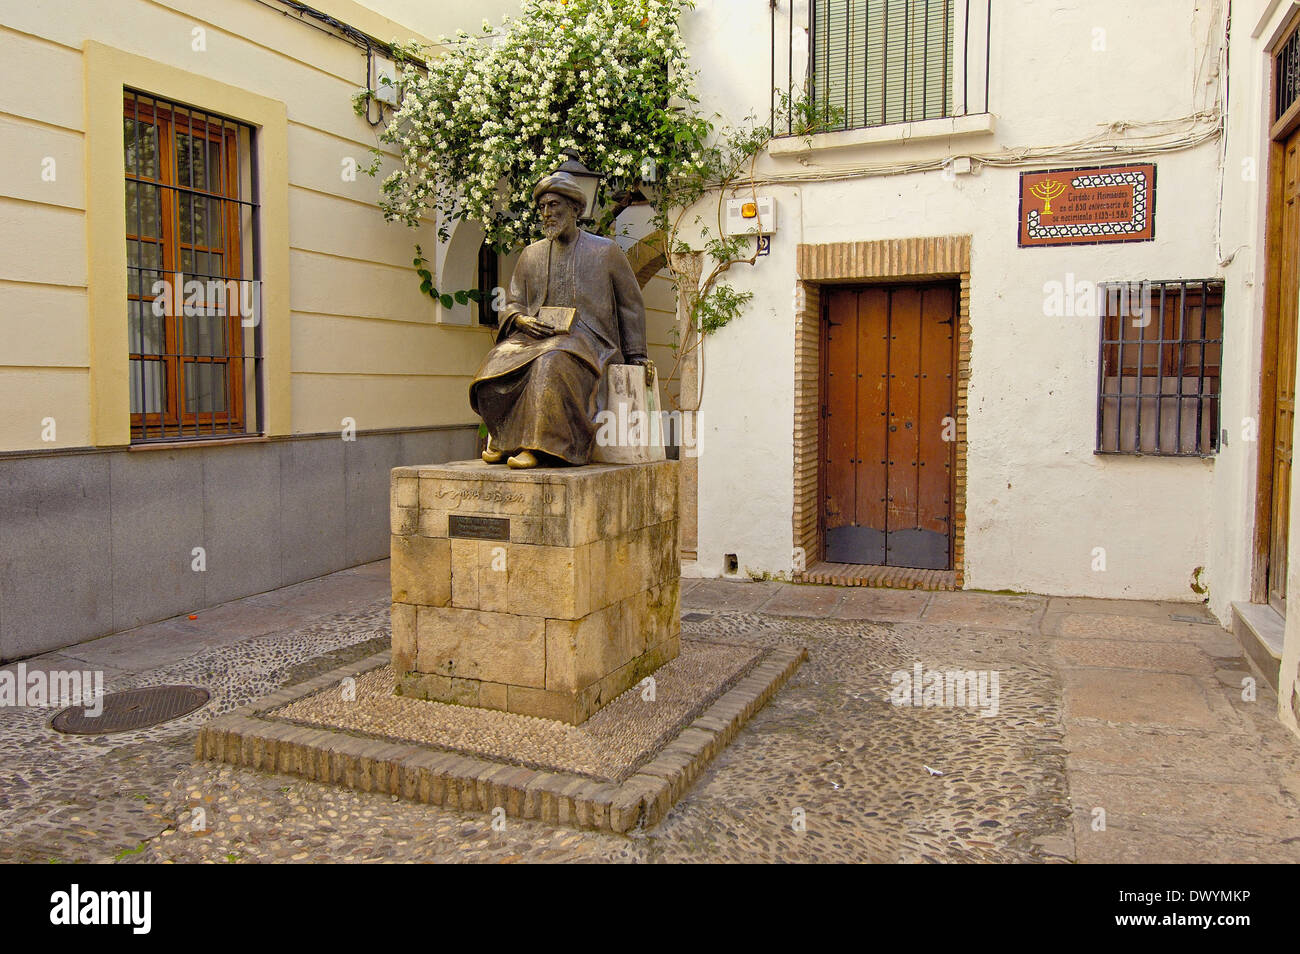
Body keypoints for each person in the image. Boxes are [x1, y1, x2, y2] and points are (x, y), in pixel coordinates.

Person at [469, 171, 650, 468]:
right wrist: (520, 320)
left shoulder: (605, 251)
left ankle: (540, 447)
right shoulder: (531, 255)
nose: (547, 213)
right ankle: (505, 440)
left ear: (575, 209)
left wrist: (637, 354)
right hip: (535, 337)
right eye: (542, 208)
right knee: (495, 363)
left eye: (553, 205)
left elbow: (630, 304)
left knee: (551, 362)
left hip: (590, 339)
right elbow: (513, 301)